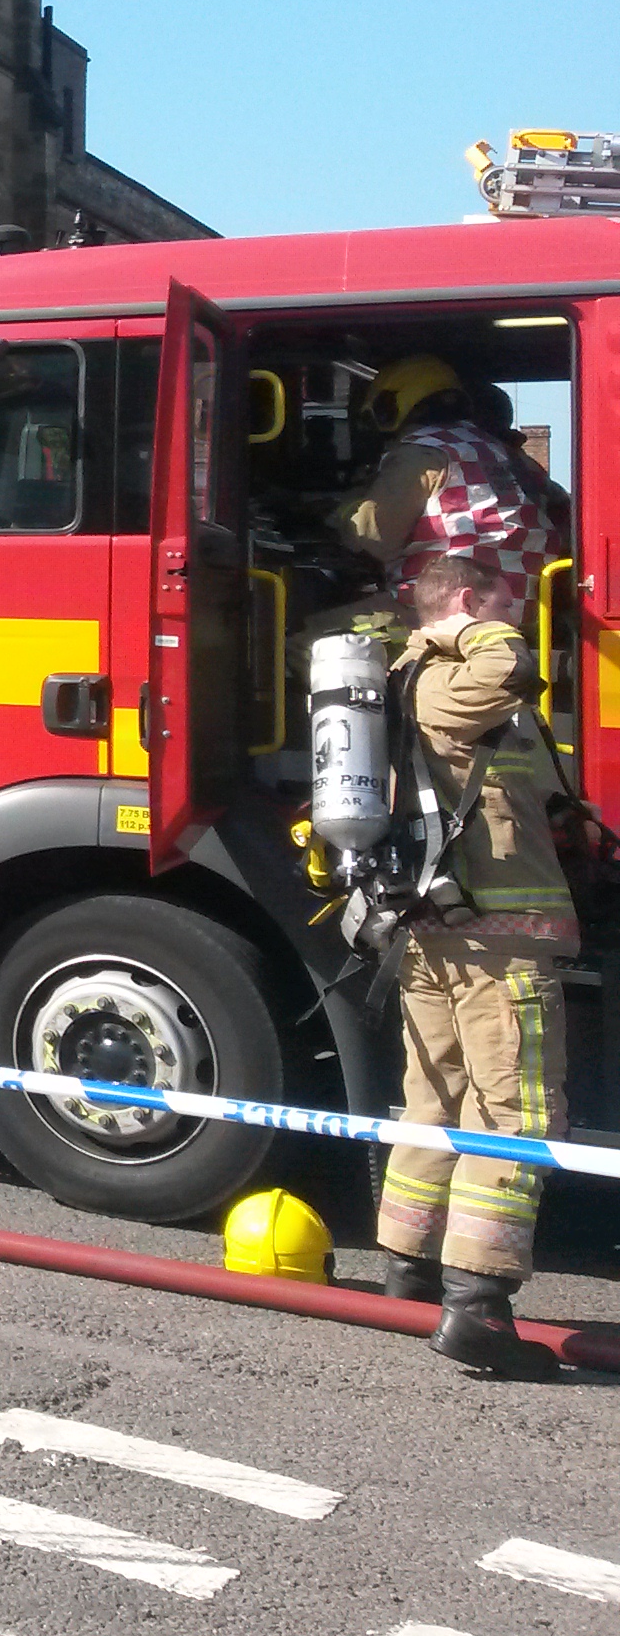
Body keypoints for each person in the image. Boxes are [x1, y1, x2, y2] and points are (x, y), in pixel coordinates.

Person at [371, 553, 580, 1375]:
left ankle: (407, 1271)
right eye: (503, 603)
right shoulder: (448, 678)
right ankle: (480, 1308)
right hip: (497, 943)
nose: (518, 620)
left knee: (438, 1099)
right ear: (463, 602)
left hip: (441, 937)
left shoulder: (408, 687)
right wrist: (468, 626)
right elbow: (510, 665)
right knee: (517, 1114)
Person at [341, 355, 565, 609]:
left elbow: (375, 539)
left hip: (436, 610)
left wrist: (341, 515)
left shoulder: (421, 454)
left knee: (306, 640)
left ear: (391, 406)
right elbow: (563, 516)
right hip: (523, 610)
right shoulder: (509, 454)